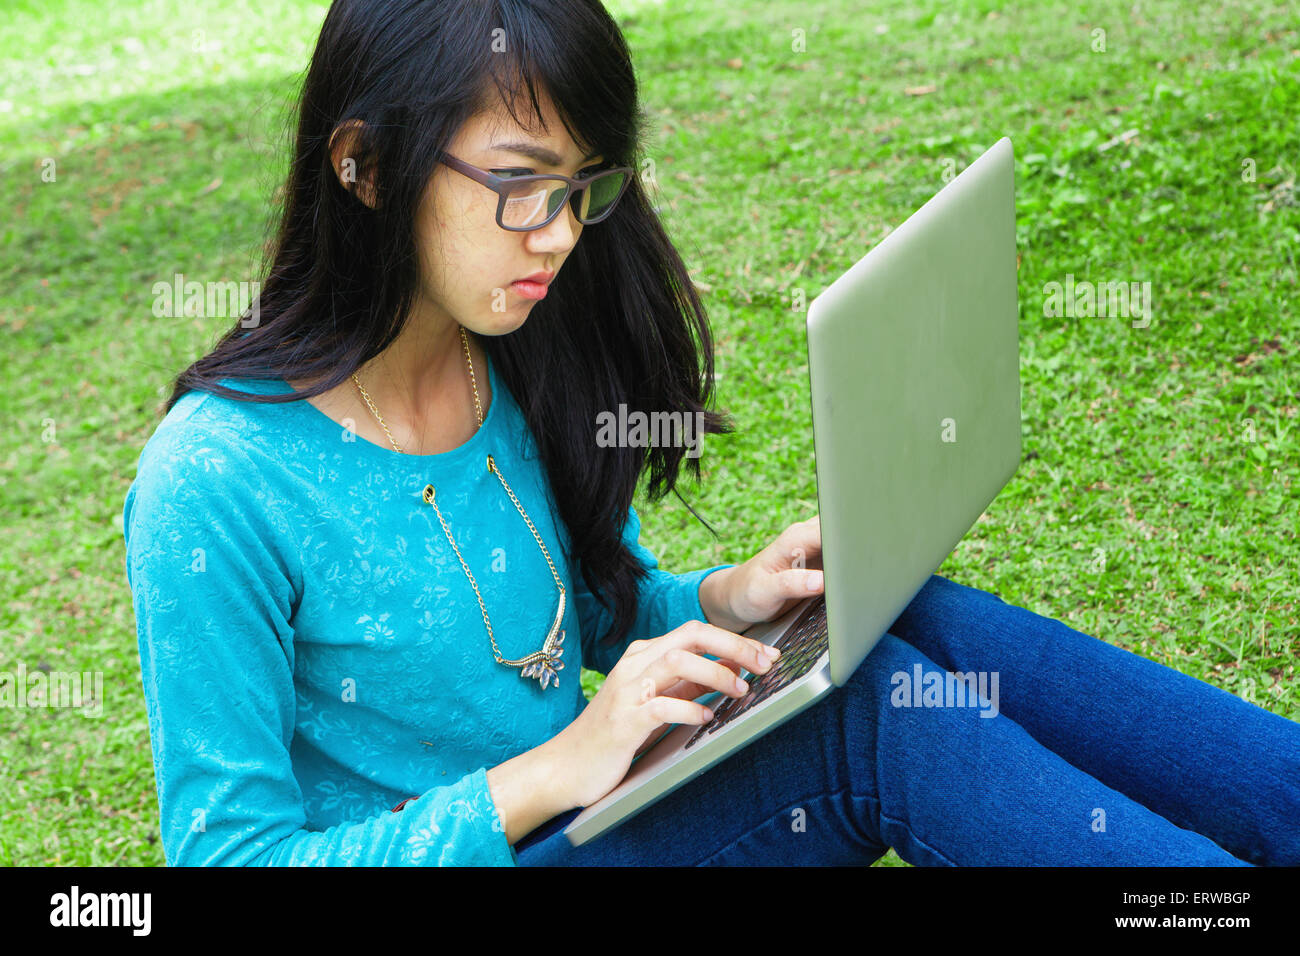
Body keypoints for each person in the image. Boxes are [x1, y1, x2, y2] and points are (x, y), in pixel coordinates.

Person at [121, 0, 1299, 866]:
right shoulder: (216, 482)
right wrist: (550, 767)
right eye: (521, 184)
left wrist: (725, 600)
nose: (561, 234)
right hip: (524, 838)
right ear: (365, 166)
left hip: (595, 819)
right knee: (874, 716)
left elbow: (581, 615)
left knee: (887, 614)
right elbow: (229, 859)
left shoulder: (508, 357)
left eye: (583, 187)